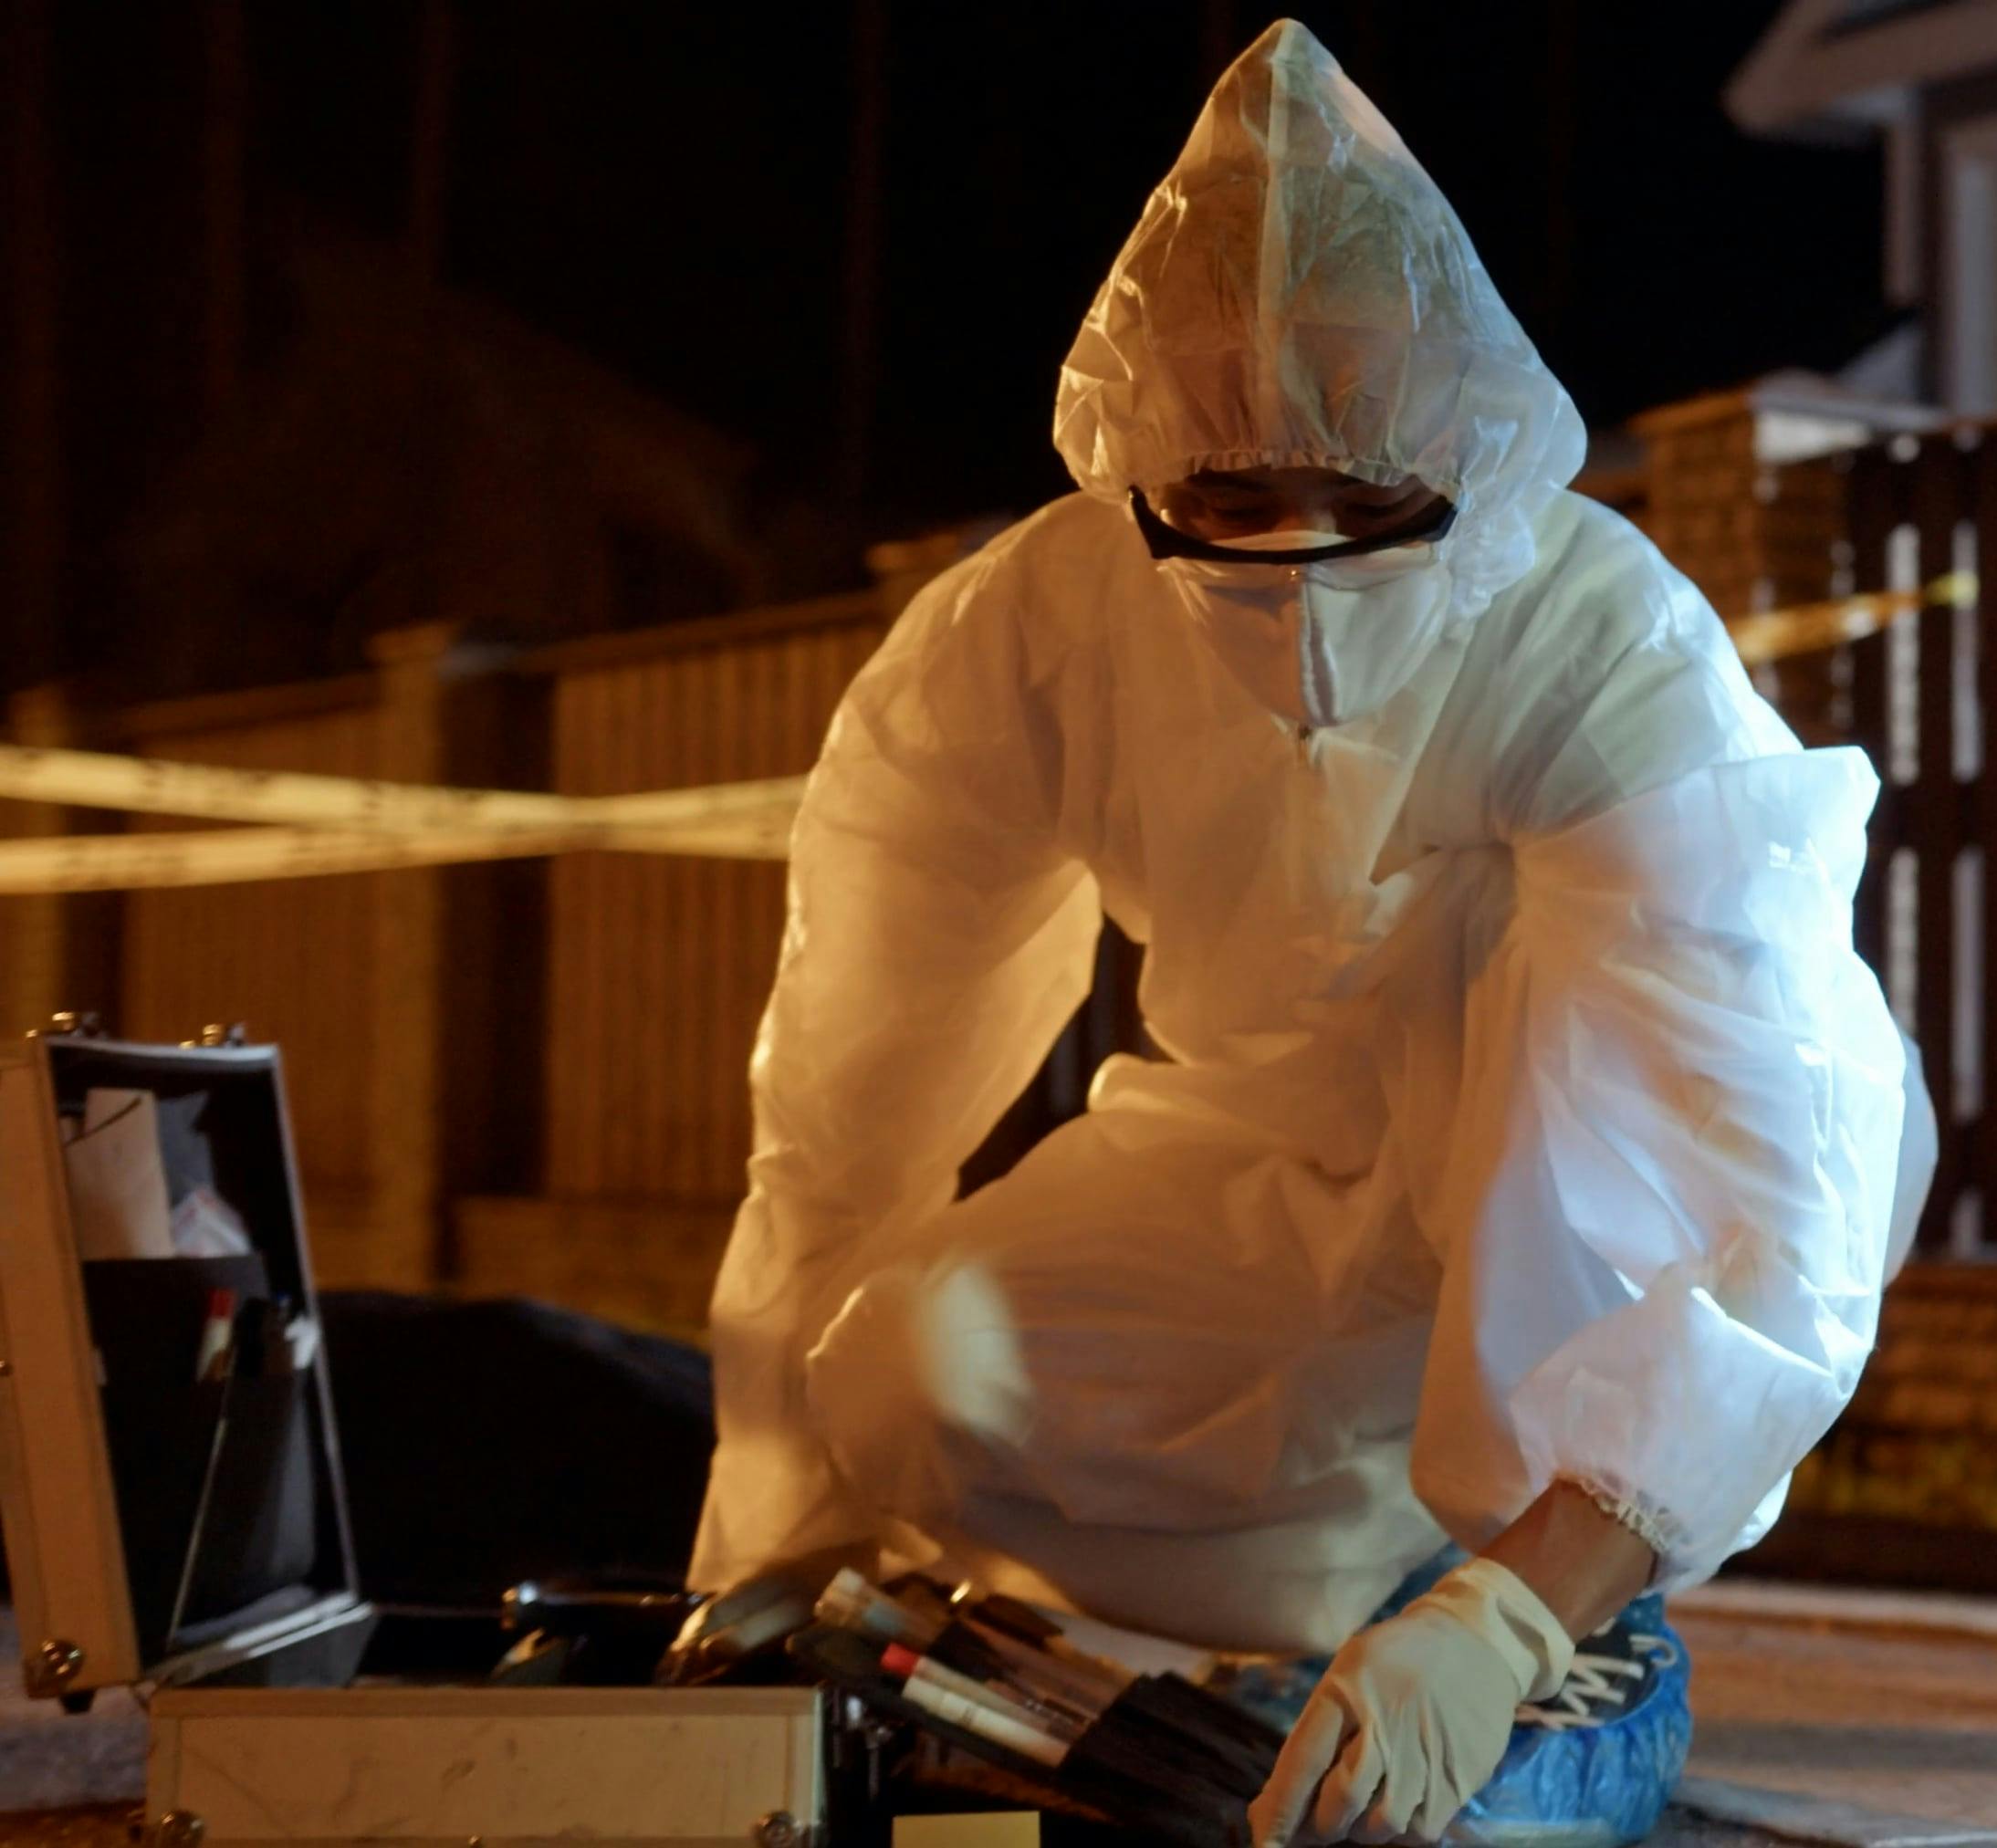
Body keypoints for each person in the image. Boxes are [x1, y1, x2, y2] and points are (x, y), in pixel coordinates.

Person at [687, 23, 1929, 1848]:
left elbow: (1753, 1170)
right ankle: (1344, 1624)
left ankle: (1560, 1614)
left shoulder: (1598, 644)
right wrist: (768, 1533)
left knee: (1544, 1028)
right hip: (1261, 1160)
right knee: (902, 1370)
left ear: (1469, 448)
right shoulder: (1024, 636)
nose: (1304, 564)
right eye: (1237, 498)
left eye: (1370, 500)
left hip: (1558, 1172)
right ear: (1142, 461)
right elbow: (849, 1094)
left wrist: (1519, 1596)